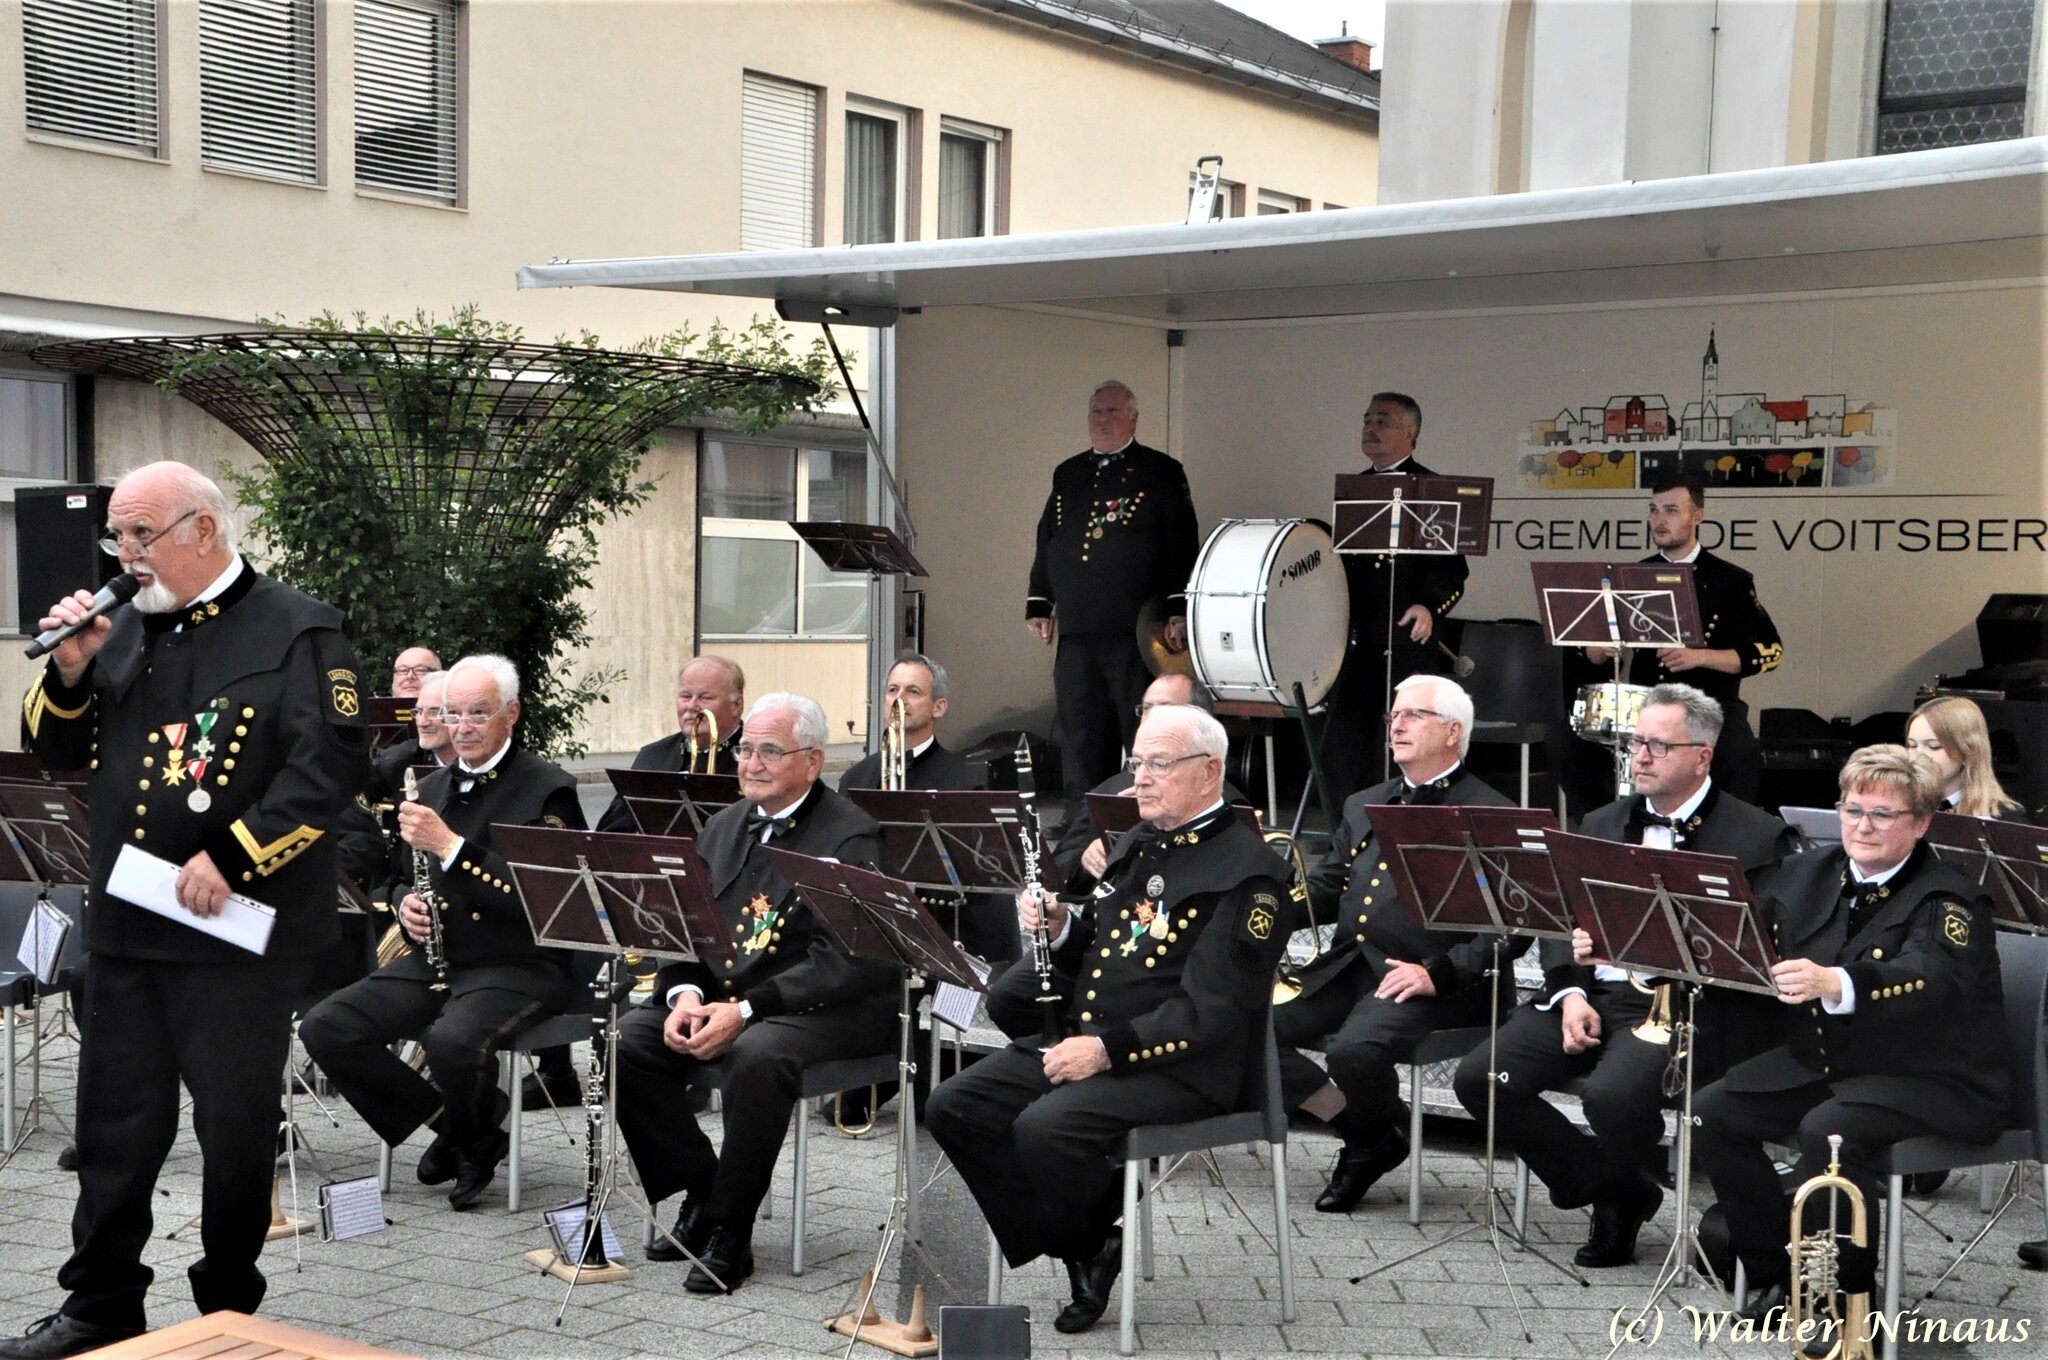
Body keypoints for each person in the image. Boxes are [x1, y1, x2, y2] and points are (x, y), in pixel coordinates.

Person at [8, 461, 365, 1360]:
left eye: (142, 536)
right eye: (117, 538)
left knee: (232, 1124)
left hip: (237, 930)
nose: (125, 555)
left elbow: (326, 774)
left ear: (202, 531)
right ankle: (99, 1306)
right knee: (113, 1124)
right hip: (131, 922)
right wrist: (72, 671)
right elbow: (56, 751)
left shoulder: (302, 630)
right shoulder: (122, 625)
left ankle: (228, 1307)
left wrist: (237, 855)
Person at [924, 705, 1288, 1335]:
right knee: (954, 1105)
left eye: (1158, 764)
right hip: (1093, 1040)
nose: (1139, 779)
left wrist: (1104, 1050)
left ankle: (1082, 1230)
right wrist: (1062, 928)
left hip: (1180, 1065)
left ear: (1210, 773)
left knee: (1044, 1129)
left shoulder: (1252, 875)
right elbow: (1100, 942)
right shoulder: (1140, 841)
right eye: (1136, 762)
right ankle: (1089, 1238)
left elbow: (1212, 1010)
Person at [1456, 683, 1797, 1268]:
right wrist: (1567, 993)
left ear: (1702, 757)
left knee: (1609, 1096)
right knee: (1480, 1078)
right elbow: (1560, 921)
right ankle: (1618, 1189)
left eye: (1657, 746)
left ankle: (1618, 1198)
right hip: (1591, 994)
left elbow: (1764, 947)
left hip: (1688, 1009)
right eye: (1635, 742)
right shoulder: (1600, 820)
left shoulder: (1760, 837)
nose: (1639, 756)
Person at [1695, 745, 2008, 1332]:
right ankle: (1779, 1274)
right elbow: (1740, 937)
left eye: (1882, 815)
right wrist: (1647, 950)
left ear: (1920, 823)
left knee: (1828, 1133)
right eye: (1851, 809)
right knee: (1713, 1112)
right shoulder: (1814, 869)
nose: (1862, 826)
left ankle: (1842, 1303)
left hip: (1936, 1077)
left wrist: (1834, 981)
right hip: (1836, 1063)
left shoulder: (1950, 897)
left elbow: (1932, 978)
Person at [613, 694, 897, 1293]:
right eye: (746, 749)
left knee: (755, 1058)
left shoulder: (851, 836)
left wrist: (745, 1009)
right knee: (629, 1042)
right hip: (727, 998)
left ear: (813, 761)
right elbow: (689, 927)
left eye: (771, 751)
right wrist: (684, 995)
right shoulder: (724, 823)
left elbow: (846, 962)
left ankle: (729, 1232)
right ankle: (702, 1188)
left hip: (829, 1007)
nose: (751, 763)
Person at [299, 655, 586, 1212]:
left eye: (479, 713)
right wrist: (406, 904)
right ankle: (464, 1129)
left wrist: (451, 847)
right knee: (327, 1026)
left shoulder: (547, 790)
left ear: (511, 715)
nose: (463, 727)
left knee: (451, 1042)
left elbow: (543, 898)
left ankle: (467, 1134)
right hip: (438, 959)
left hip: (518, 963)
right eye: (454, 714)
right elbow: (406, 876)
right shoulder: (430, 786)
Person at [1276, 676, 1513, 1214]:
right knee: (1249, 1029)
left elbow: (1512, 928)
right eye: (1393, 716)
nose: (1396, 725)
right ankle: (1369, 1131)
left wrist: (1440, 972)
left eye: (1413, 716)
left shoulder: (1491, 813)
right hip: (1351, 966)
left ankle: (1367, 1142)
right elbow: (1326, 889)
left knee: (1353, 1051)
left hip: (1438, 979)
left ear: (1454, 733)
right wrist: (1260, 912)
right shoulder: (1366, 802)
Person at [1026, 380, 1200, 797]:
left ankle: (1141, 808)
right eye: (1097, 413)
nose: (1103, 420)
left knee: (1136, 723)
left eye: (1113, 412)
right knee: (1078, 725)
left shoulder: (1161, 471)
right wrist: (1040, 600)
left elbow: (1181, 541)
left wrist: (1177, 608)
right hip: (1077, 623)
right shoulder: (1068, 472)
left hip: (1134, 625)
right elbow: (1049, 537)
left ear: (1134, 418)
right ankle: (1081, 819)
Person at [1569, 472, 1782, 808]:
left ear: (1697, 516)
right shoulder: (1631, 576)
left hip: (1711, 709)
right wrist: (1597, 650)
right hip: (1647, 708)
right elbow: (1589, 654)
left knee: (1740, 755)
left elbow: (1768, 652)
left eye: (1670, 510)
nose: (1658, 520)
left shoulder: (1731, 580)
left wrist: (1699, 657)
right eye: (1654, 511)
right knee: (1574, 749)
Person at [1323, 393, 1470, 801]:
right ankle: (1348, 828)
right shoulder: (1356, 489)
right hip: (1354, 637)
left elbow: (1453, 572)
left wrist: (1429, 605)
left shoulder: (1432, 488)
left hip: (1404, 637)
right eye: (1367, 419)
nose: (1370, 427)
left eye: (1382, 421)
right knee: (1345, 738)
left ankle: (1400, 817)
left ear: (1410, 432)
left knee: (1403, 738)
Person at [1049, 672, 1238, 894]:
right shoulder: (1112, 790)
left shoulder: (1224, 799)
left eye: (1166, 709)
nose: (1153, 718)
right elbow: (1055, 869)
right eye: (1147, 709)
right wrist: (1084, 861)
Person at [593, 655, 747, 833]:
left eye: (706, 697)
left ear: (737, 705)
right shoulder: (653, 755)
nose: (692, 706)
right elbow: (612, 832)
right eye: (685, 696)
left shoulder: (757, 760)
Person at [838, 652, 984, 793]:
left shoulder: (966, 781)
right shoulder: (855, 778)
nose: (899, 699)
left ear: (938, 707)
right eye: (893, 690)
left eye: (913, 691)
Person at [1905, 695, 2027, 821]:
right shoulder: (1900, 806)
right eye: (1912, 745)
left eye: (1934, 746)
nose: (1917, 755)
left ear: (1966, 752)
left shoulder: (2004, 818)